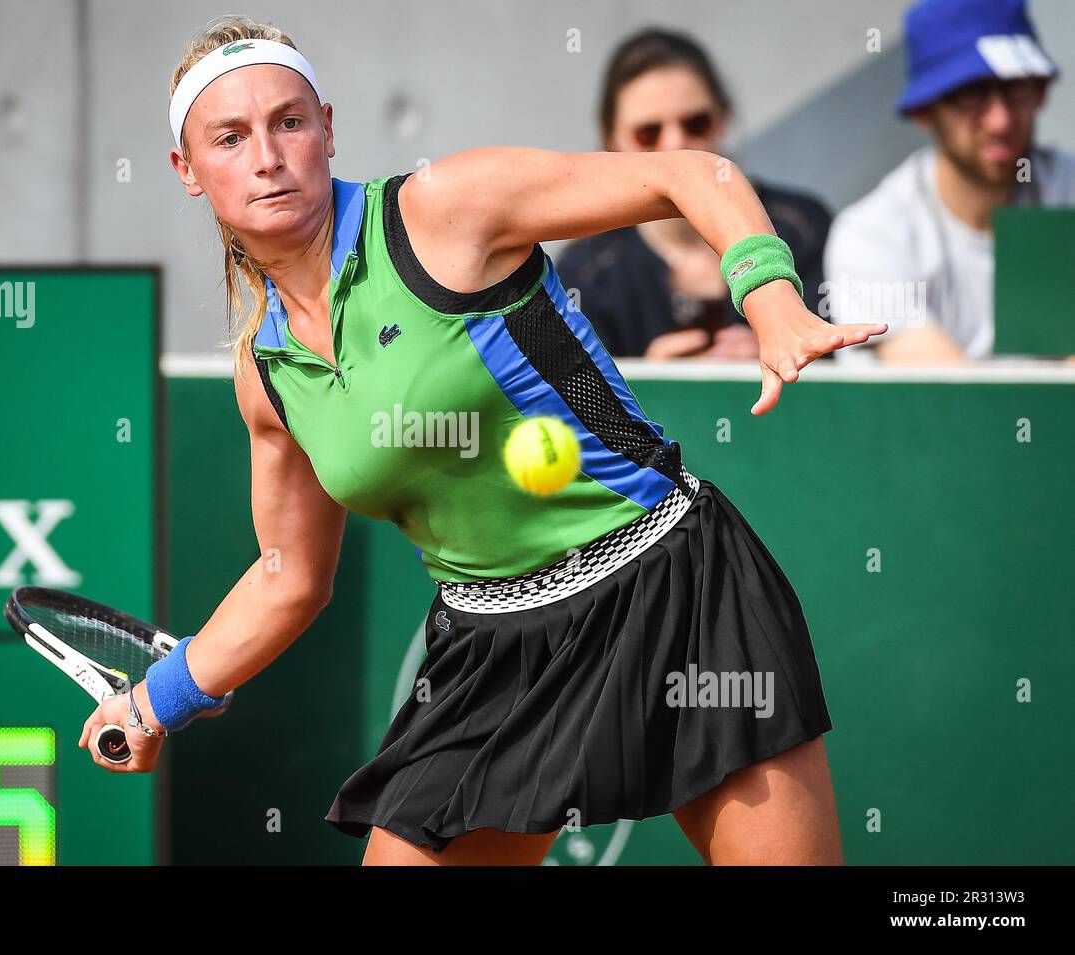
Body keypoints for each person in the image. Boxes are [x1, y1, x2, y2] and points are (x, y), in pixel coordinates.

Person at [79, 15, 886, 866]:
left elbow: (693, 173)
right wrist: (154, 701)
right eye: (230, 137)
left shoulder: (446, 208)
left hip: (668, 588)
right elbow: (289, 580)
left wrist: (770, 298)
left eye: (288, 121)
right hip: (490, 652)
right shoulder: (267, 373)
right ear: (187, 171)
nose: (268, 156)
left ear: (327, 125)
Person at [556, 28, 833, 361]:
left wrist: (790, 356)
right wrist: (650, 384)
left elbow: (844, 374)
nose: (675, 144)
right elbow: (574, 403)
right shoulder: (588, 270)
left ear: (722, 119)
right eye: (648, 132)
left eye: (696, 123)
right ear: (612, 139)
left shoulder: (803, 227)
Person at [824, 0, 1075, 364]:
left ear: (1042, 92)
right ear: (924, 110)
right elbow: (951, 402)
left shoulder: (1065, 190)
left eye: (1017, 87)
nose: (999, 121)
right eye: (969, 94)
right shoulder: (874, 232)